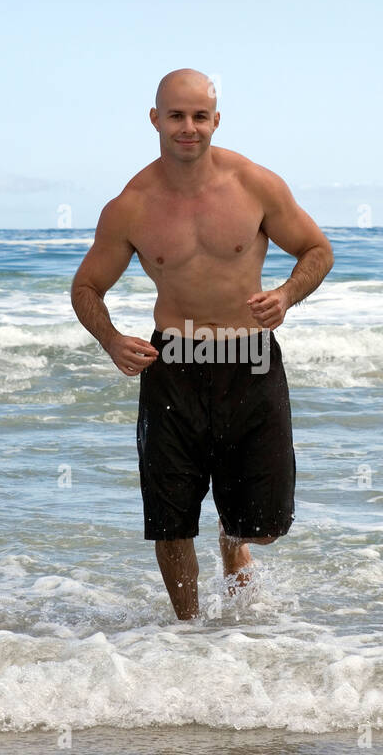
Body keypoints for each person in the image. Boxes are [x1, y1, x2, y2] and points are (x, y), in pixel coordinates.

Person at [71, 68, 333, 619]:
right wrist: (112, 339)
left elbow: (316, 250)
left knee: (259, 527)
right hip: (175, 364)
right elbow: (87, 286)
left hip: (250, 359)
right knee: (170, 522)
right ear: (155, 119)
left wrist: (285, 296)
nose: (187, 127)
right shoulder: (132, 206)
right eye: (175, 116)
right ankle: (190, 636)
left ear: (215, 120)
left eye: (198, 116)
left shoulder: (255, 185)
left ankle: (232, 537)